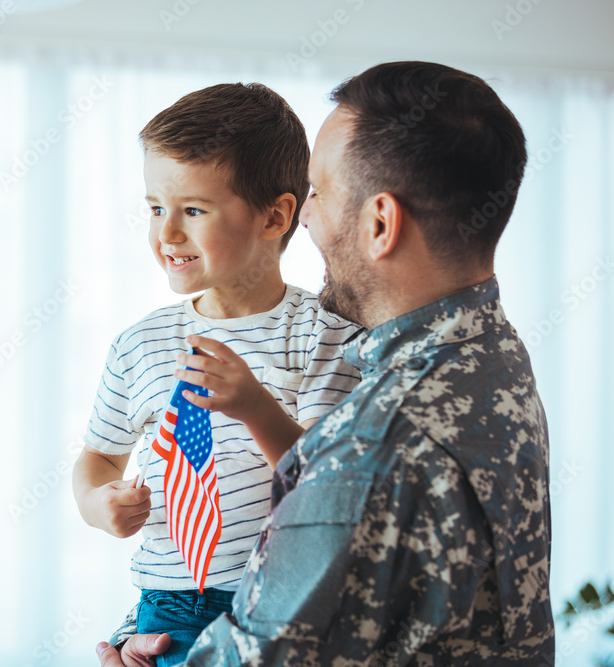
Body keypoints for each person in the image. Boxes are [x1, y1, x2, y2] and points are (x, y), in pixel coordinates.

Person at [96, 61, 555, 666]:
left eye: (320, 192)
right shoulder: (493, 356)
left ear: (380, 223)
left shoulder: (371, 445)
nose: (303, 215)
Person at [72, 82, 362, 666]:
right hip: (167, 605)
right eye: (156, 208)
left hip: (278, 597)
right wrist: (98, 504)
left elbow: (323, 485)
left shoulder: (324, 336)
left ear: (276, 216)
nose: (167, 234)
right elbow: (99, 458)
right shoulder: (139, 344)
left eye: (193, 210)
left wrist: (254, 406)